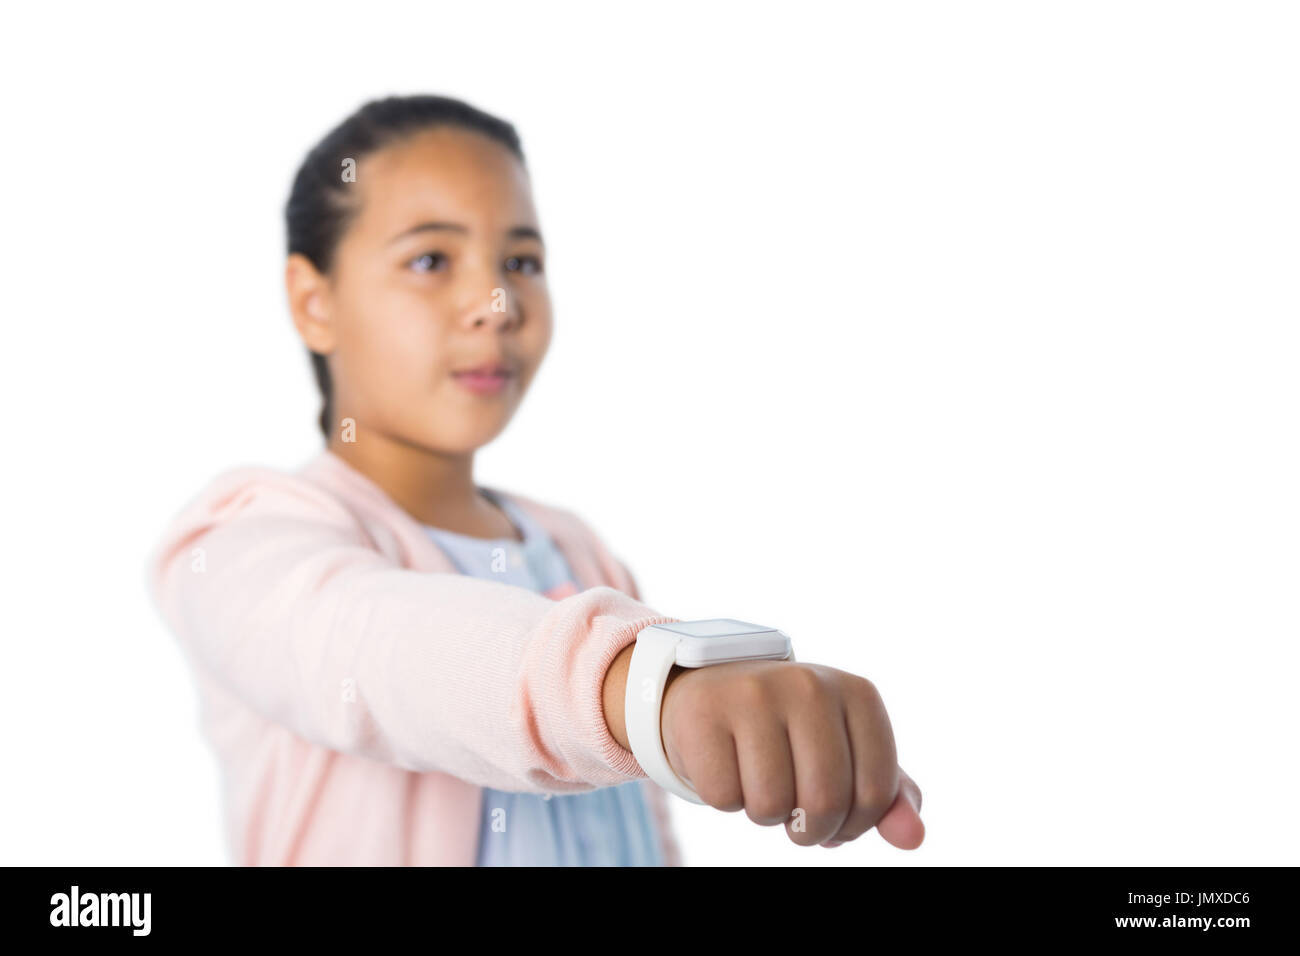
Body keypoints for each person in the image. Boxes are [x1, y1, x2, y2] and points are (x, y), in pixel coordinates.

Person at [147, 94, 925, 866]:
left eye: (521, 262)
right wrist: (643, 687)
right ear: (314, 303)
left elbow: (641, 833)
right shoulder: (243, 539)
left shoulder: (575, 549)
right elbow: (381, 648)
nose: (497, 306)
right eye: (429, 259)